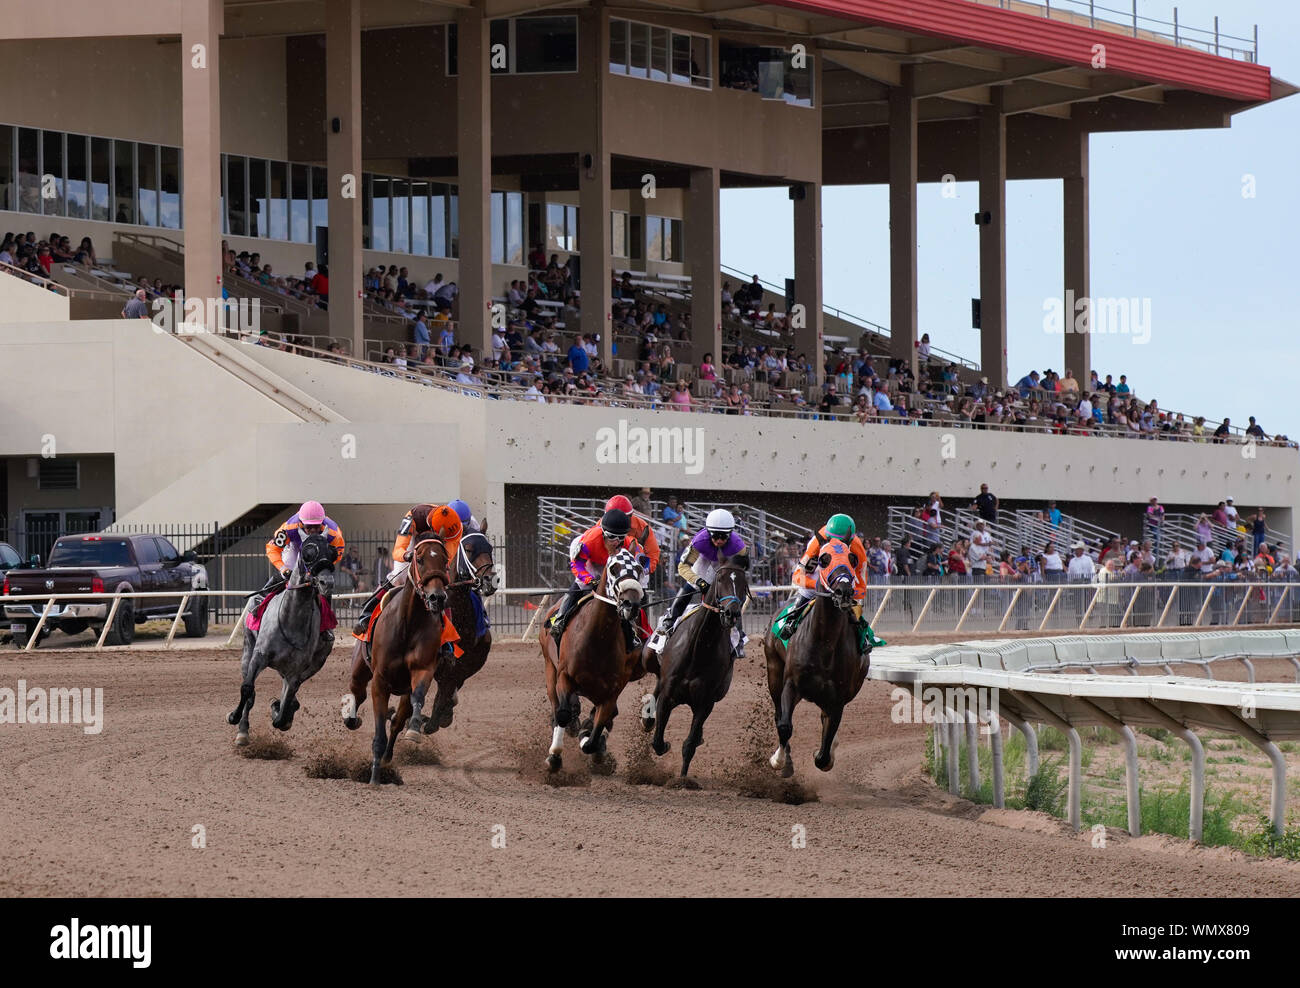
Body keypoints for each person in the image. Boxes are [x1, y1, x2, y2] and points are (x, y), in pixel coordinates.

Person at [351, 503, 464, 641]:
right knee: (398, 577)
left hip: (435, 549)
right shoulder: (412, 518)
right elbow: (398, 551)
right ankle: (366, 616)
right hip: (413, 544)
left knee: (441, 580)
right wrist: (408, 556)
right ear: (432, 527)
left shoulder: (455, 526)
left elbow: (448, 556)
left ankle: (447, 639)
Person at [654, 509, 749, 652]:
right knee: (689, 587)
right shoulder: (699, 540)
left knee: (734, 596)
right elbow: (683, 566)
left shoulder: (738, 546)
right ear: (708, 532)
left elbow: (743, 568)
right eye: (715, 536)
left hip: (726, 563)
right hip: (704, 560)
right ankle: (670, 621)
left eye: (724, 537)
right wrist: (699, 582)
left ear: (730, 535)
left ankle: (738, 634)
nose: (719, 541)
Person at [788, 513, 883, 655]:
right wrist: (818, 585)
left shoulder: (858, 551)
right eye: (832, 542)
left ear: (850, 541)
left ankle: (862, 635)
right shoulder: (817, 543)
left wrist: (847, 592)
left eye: (841, 544)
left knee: (854, 604)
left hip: (843, 579)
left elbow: (861, 589)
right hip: (821, 574)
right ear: (826, 538)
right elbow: (797, 577)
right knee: (805, 591)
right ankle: (791, 621)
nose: (836, 546)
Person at [550, 509, 645, 644]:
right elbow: (577, 565)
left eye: (620, 538)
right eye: (612, 537)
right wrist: (590, 580)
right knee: (580, 585)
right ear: (604, 533)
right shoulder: (590, 540)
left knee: (621, 596)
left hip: (611, 563)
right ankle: (560, 619)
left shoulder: (628, 543)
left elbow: (637, 563)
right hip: (590, 562)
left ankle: (630, 633)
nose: (616, 542)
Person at [605, 494, 660, 575]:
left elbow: (653, 556)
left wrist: (642, 570)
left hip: (636, 567)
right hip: (605, 564)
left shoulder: (643, 527)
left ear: (630, 516)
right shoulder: (599, 528)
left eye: (621, 519)